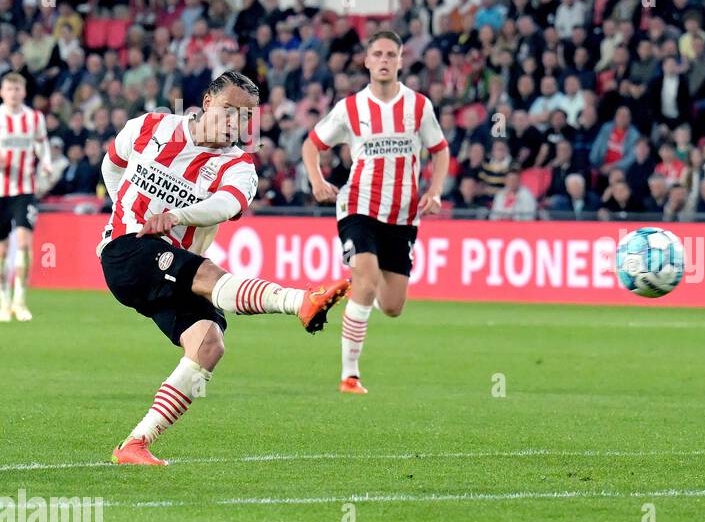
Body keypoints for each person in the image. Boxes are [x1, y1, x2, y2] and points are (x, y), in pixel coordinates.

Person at [99, 72, 350, 466]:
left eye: (247, 115)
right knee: (209, 274)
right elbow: (112, 164)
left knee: (209, 343)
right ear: (207, 101)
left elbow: (226, 206)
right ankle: (300, 300)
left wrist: (177, 215)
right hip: (126, 252)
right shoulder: (150, 126)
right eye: (230, 110)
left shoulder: (239, 167)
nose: (237, 122)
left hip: (170, 265)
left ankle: (136, 443)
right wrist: (126, 216)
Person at [303, 31, 450, 394]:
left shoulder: (419, 106)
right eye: (377, 54)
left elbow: (440, 150)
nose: (384, 60)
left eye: (391, 54)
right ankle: (349, 375)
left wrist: (435, 190)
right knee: (367, 282)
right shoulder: (350, 108)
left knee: (393, 305)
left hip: (402, 216)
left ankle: (356, 289)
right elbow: (312, 144)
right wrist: (317, 181)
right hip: (358, 206)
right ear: (367, 61)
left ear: (400, 60)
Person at [0, 73, 55, 322]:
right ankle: (3, 298)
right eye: (9, 88)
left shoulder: (34, 118)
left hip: (24, 189)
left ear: (23, 92)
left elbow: (41, 145)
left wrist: (46, 164)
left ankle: (20, 300)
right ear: (2, 92)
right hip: (0, 190)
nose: (13, 93)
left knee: (23, 243)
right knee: (1, 251)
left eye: (17, 88)